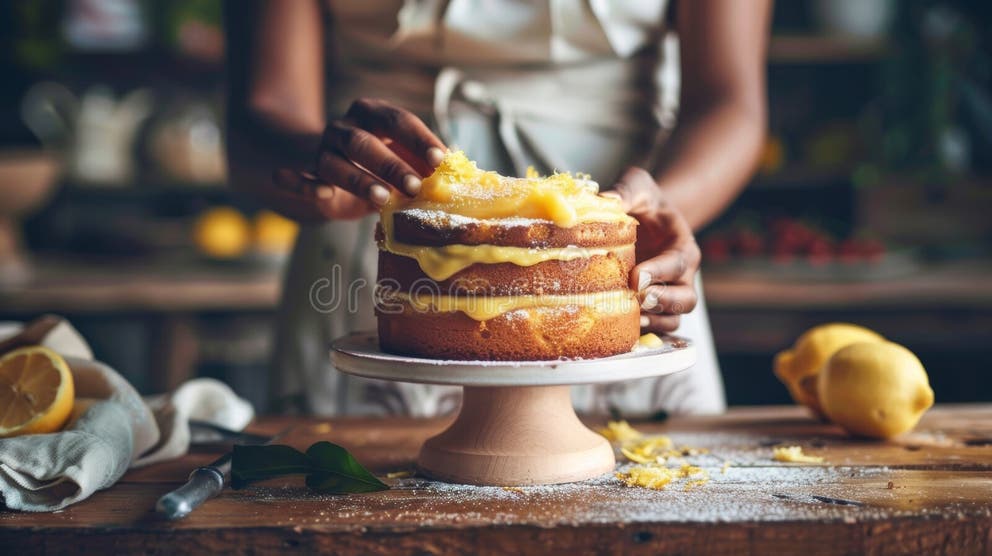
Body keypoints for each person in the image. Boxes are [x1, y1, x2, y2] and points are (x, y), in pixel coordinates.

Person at [224, 0, 770, 417]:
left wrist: (665, 207)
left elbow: (731, 102)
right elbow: (258, 120)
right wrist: (315, 165)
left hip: (612, 265)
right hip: (381, 251)